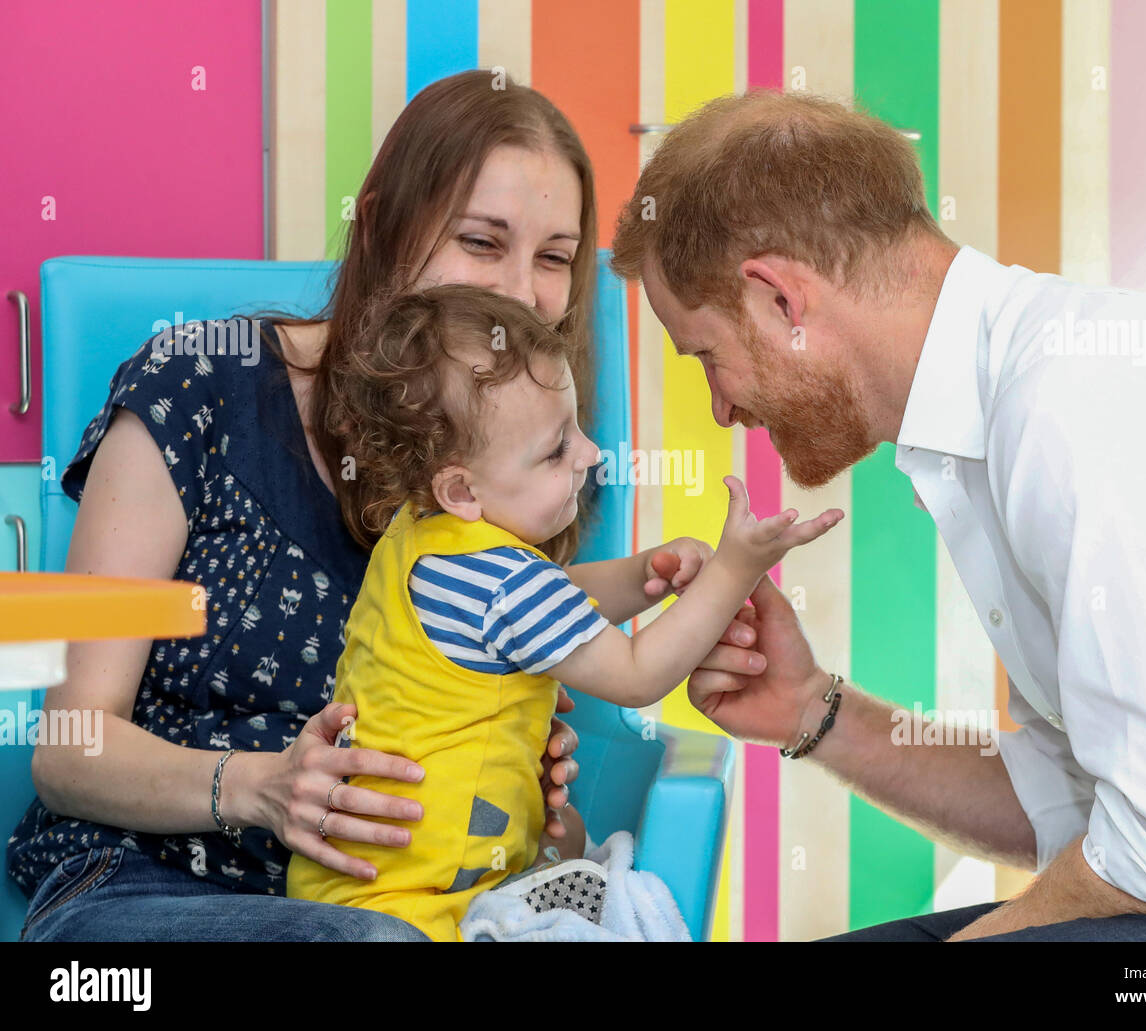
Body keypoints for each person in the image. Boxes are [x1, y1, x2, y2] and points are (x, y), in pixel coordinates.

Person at [6, 69, 757, 943]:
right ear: (383, 227)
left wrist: (520, 795)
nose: (520, 293)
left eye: (554, 257)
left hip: (420, 903)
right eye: (482, 241)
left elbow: (547, 756)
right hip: (144, 886)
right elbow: (69, 747)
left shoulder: (519, 459)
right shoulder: (198, 390)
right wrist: (258, 786)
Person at [609, 88, 1146, 941]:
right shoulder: (1000, 406)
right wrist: (808, 708)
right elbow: (1087, 805)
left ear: (780, 300)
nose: (720, 408)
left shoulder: (1070, 405)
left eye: (706, 356)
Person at [284, 284, 841, 940]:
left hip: (343, 889)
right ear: (461, 488)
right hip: (416, 907)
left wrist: (641, 578)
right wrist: (734, 568)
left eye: (577, 427)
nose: (589, 454)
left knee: (571, 844)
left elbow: (548, 596)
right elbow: (636, 672)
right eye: (555, 450)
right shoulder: (499, 580)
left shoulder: (424, 540)